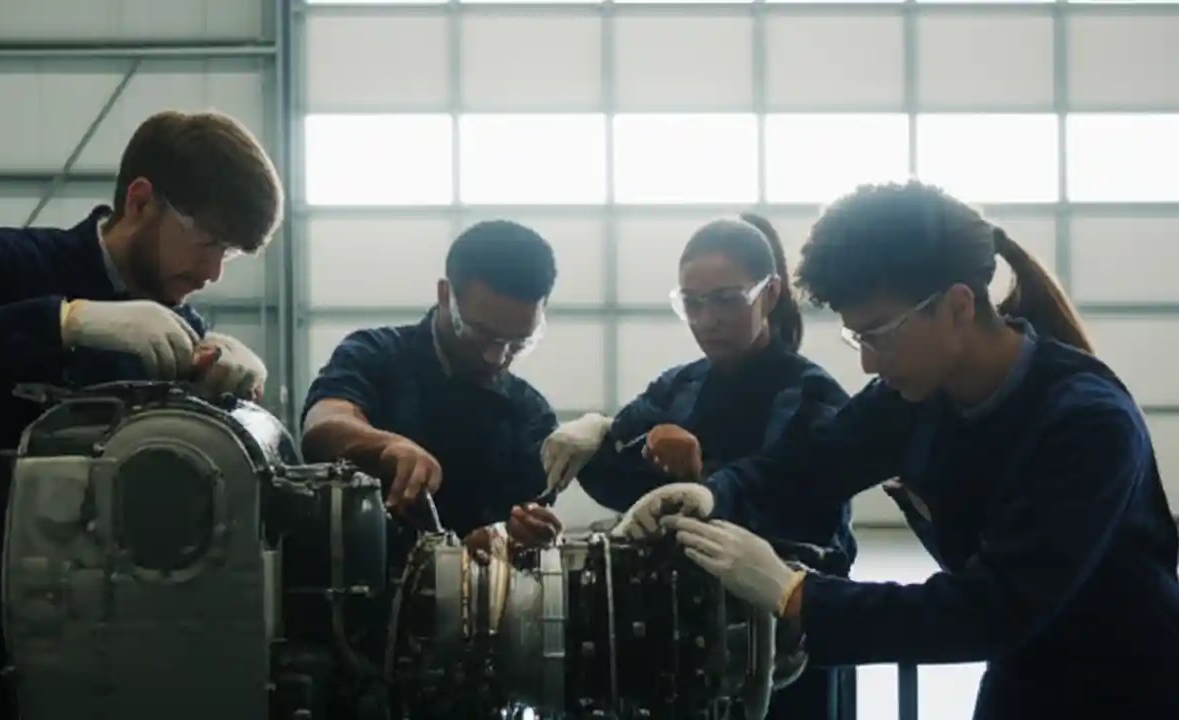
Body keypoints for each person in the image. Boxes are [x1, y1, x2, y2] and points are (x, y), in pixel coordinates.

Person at [613, 181, 1179, 718]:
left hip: (1126, 682)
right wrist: (710, 495)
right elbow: (813, 464)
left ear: (957, 306)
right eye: (857, 337)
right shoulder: (915, 396)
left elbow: (993, 607)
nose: (867, 363)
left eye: (880, 334)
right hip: (1026, 668)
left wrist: (800, 594)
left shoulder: (1084, 424)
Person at [0, 109, 284, 716]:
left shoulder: (183, 334)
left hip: (108, 665)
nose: (212, 272)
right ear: (140, 201)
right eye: (208, 240)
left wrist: (234, 398)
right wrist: (61, 322)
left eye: (230, 255)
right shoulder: (2, 266)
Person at [540, 213, 855, 720]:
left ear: (769, 294)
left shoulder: (812, 397)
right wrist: (593, 437)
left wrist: (700, 481)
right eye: (693, 303)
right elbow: (620, 480)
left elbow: (785, 494)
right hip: (680, 641)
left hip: (783, 640)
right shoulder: (678, 386)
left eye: (728, 300)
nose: (708, 320)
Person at [299, 220, 563, 556]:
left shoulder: (532, 416)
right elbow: (322, 426)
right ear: (444, 295)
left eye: (518, 343)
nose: (496, 357)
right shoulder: (376, 354)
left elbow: (525, 521)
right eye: (479, 333)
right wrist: (385, 447)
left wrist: (520, 535)